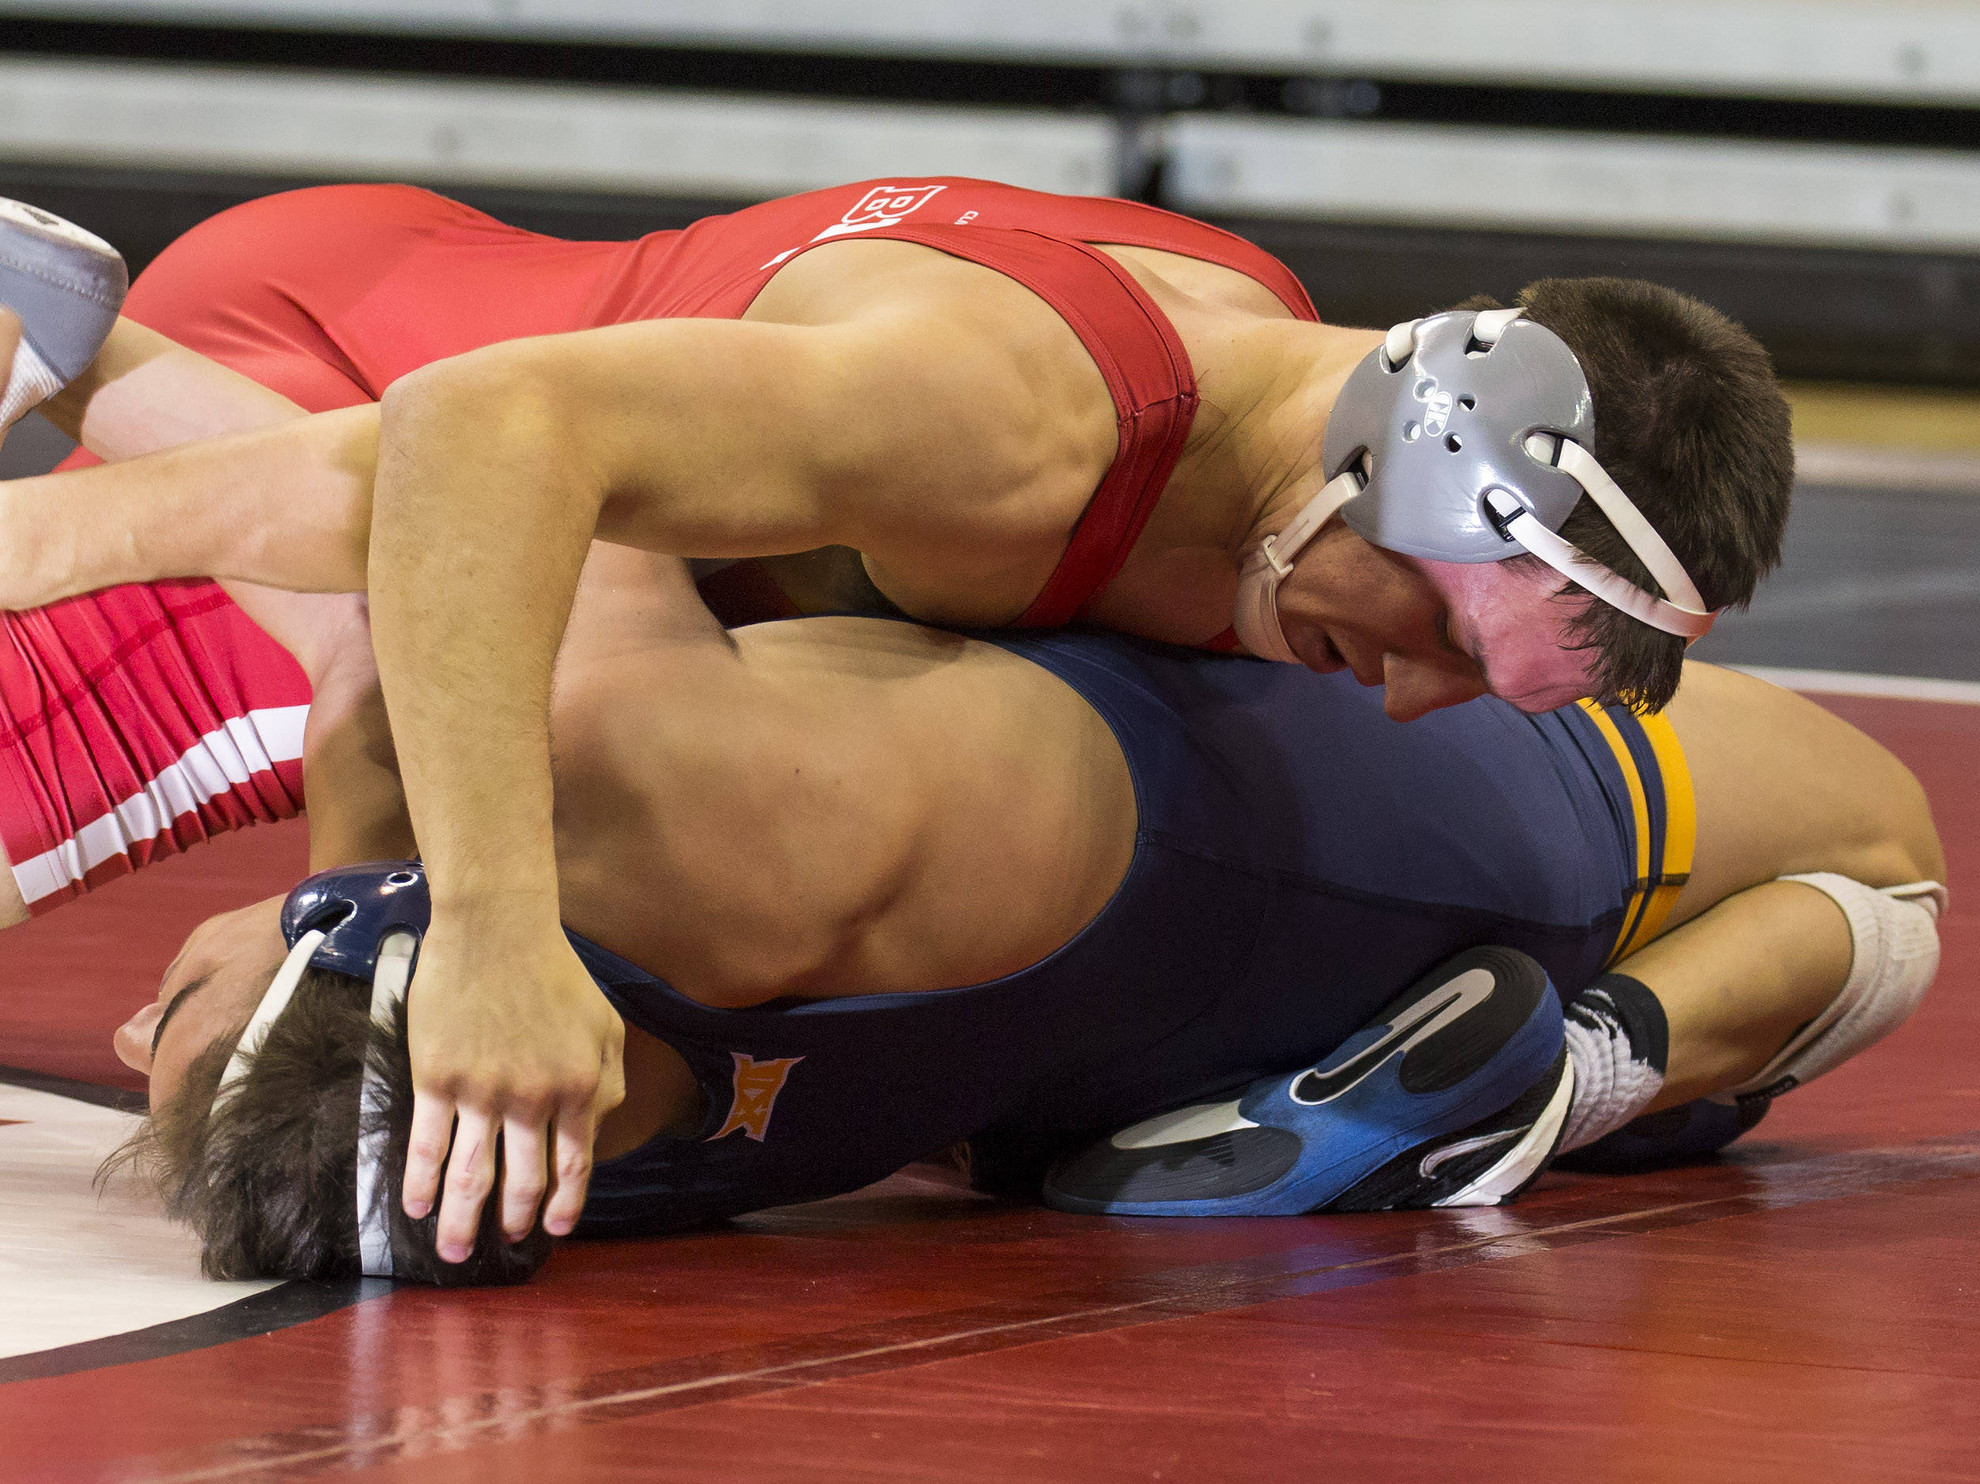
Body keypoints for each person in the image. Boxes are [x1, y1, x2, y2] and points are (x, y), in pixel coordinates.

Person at [105, 530, 1943, 1281]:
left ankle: (1570, 1093)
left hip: (1192, 1024)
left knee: (1759, 1055)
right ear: (367, 935)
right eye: (176, 1028)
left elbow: (370, 1021)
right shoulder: (647, 779)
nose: (127, 1023)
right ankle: (1575, 1084)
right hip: (1390, 809)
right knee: (1890, 867)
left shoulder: (580, 1178)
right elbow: (488, 469)